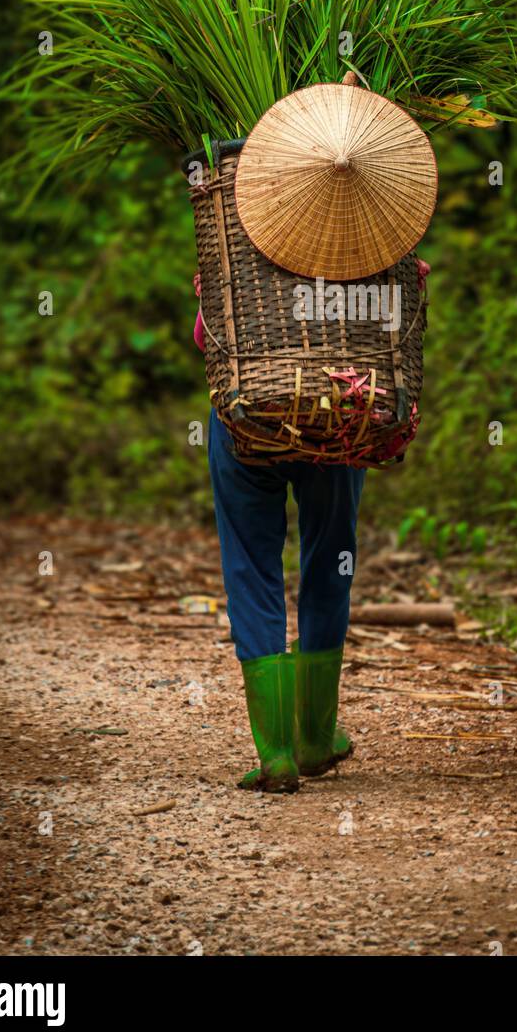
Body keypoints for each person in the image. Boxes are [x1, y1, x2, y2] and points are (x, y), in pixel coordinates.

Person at [194, 276, 365, 794]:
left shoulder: (235, 232)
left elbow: (207, 340)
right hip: (336, 419)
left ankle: (275, 754)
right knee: (331, 560)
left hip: (247, 419)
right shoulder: (368, 243)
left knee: (250, 563)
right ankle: (314, 738)